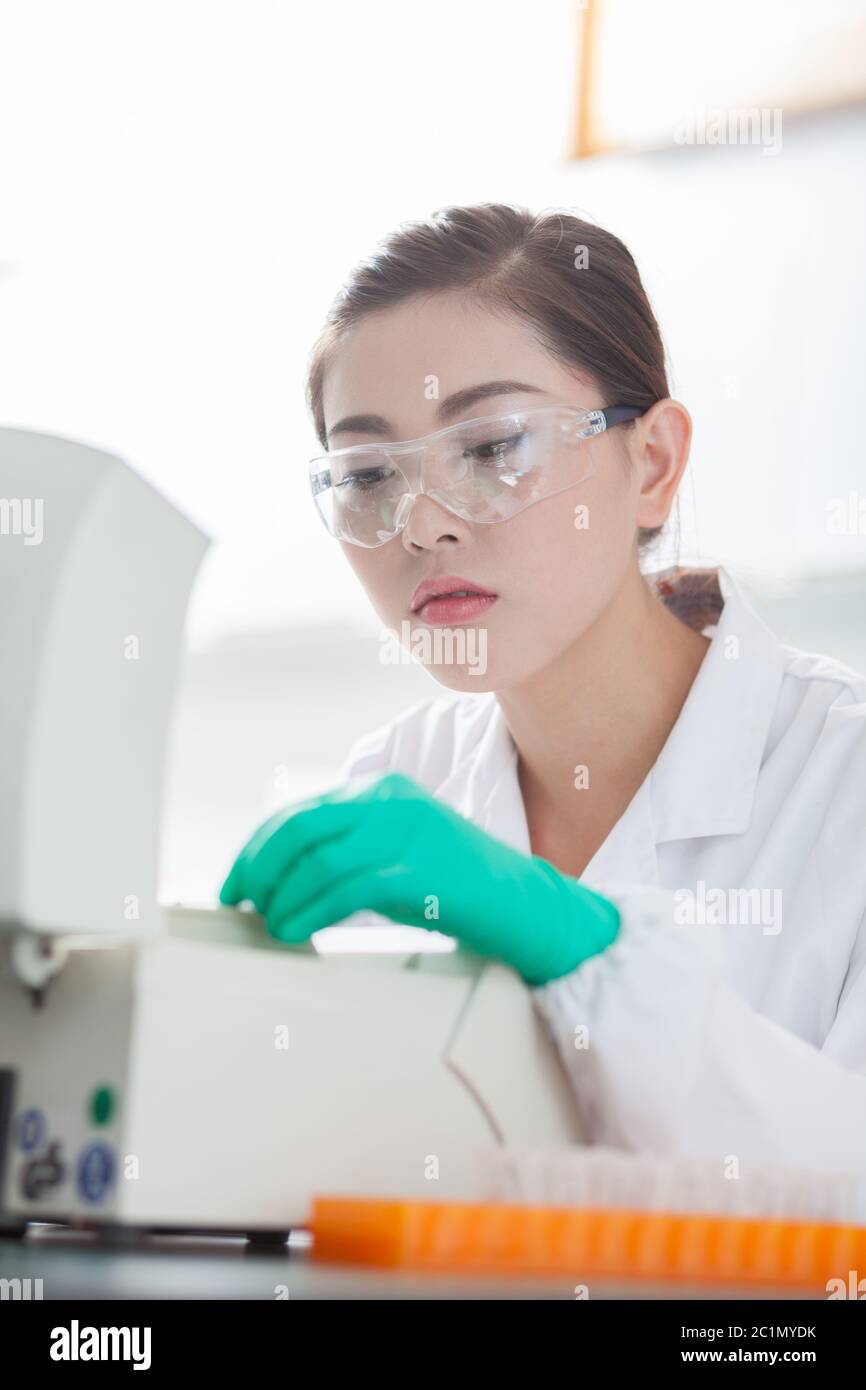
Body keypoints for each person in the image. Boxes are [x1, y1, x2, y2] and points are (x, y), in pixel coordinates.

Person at [220, 203, 866, 1191]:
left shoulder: (839, 782)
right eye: (365, 474)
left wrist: (592, 956)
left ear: (649, 464)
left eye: (490, 449)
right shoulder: (395, 786)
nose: (422, 526)